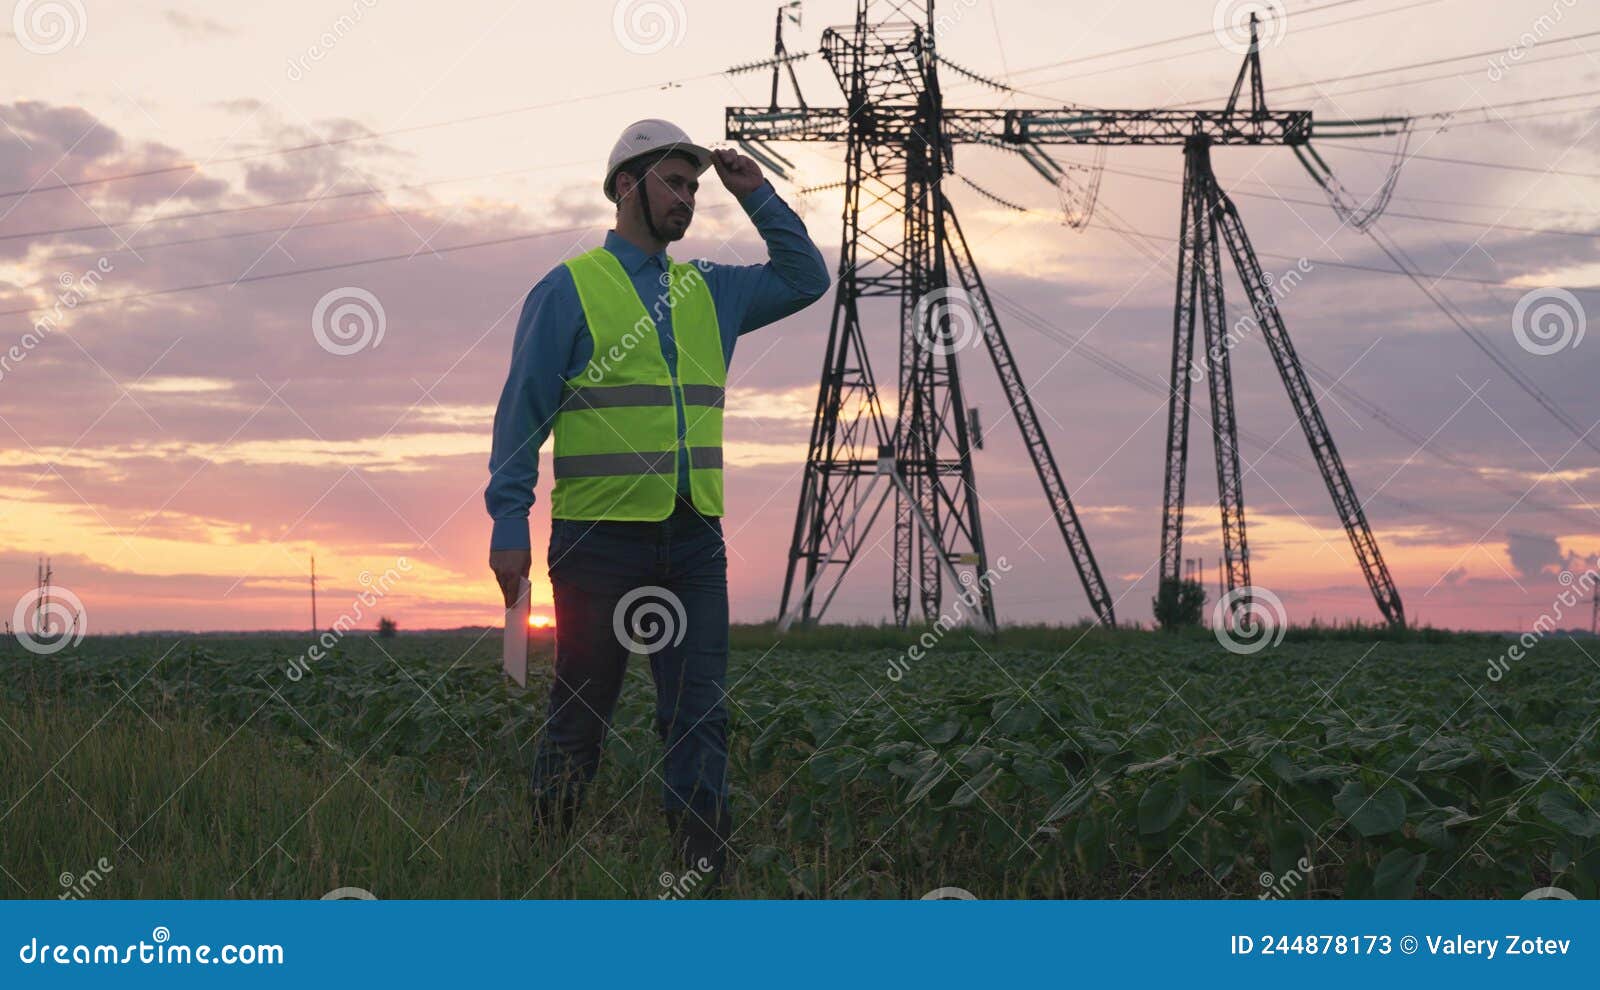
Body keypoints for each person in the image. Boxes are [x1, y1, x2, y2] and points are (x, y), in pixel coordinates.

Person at [484, 118, 830, 885]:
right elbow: (523, 412)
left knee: (699, 716)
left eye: (695, 187)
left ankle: (701, 876)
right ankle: (544, 865)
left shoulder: (712, 289)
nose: (688, 199)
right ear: (625, 186)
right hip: (596, 543)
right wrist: (509, 519)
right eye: (674, 182)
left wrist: (758, 195)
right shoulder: (569, 288)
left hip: (694, 541)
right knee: (582, 715)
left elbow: (808, 278)